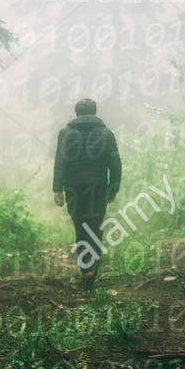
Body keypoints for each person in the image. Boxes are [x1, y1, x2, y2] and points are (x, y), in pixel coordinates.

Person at [52, 98, 122, 289]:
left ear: (76, 113)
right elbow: (115, 163)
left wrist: (57, 189)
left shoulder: (65, 133)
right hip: (98, 188)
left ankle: (85, 271)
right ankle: (92, 270)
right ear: (95, 112)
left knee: (81, 228)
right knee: (96, 227)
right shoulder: (106, 134)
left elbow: (61, 161)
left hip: (73, 189)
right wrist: (113, 188)